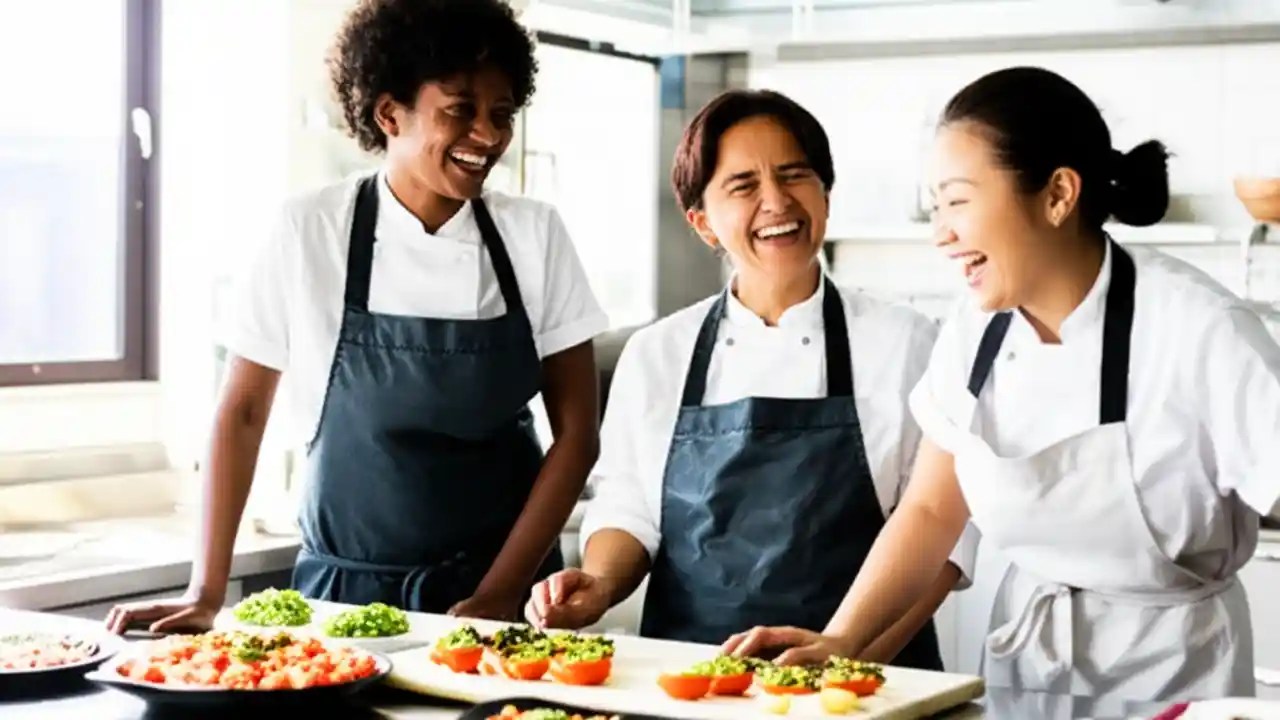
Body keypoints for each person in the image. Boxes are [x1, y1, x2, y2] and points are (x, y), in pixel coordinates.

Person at [724, 66, 1280, 706]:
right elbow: (932, 510)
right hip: (1027, 677)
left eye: (958, 201)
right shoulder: (975, 329)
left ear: (1057, 195)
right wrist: (842, 637)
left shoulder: (1203, 330)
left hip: (1174, 679)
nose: (942, 233)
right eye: (936, 207)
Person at [105, 0, 607, 632]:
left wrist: (499, 594)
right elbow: (242, 412)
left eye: (502, 114)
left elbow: (578, 435)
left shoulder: (533, 235)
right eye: (460, 110)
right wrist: (205, 590)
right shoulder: (310, 228)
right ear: (388, 113)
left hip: (502, 600)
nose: (489, 134)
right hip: (342, 596)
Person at [523, 89, 976, 670]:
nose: (776, 201)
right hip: (694, 679)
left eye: (794, 175)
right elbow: (628, 505)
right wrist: (600, 583)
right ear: (703, 223)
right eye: (743, 186)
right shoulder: (658, 353)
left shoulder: (908, 343)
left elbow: (940, 540)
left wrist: (853, 668)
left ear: (825, 195)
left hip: (866, 681)